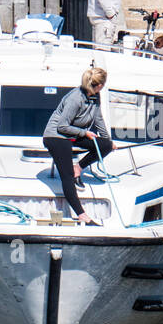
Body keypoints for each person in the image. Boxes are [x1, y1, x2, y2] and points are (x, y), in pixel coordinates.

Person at [43, 66, 114, 225]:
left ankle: (79, 168)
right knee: (66, 176)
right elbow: (62, 126)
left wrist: (108, 140)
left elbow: (98, 119)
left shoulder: (95, 96)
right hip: (56, 135)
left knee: (106, 145)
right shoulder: (75, 98)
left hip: (73, 134)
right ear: (100, 85)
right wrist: (84, 133)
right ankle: (82, 215)